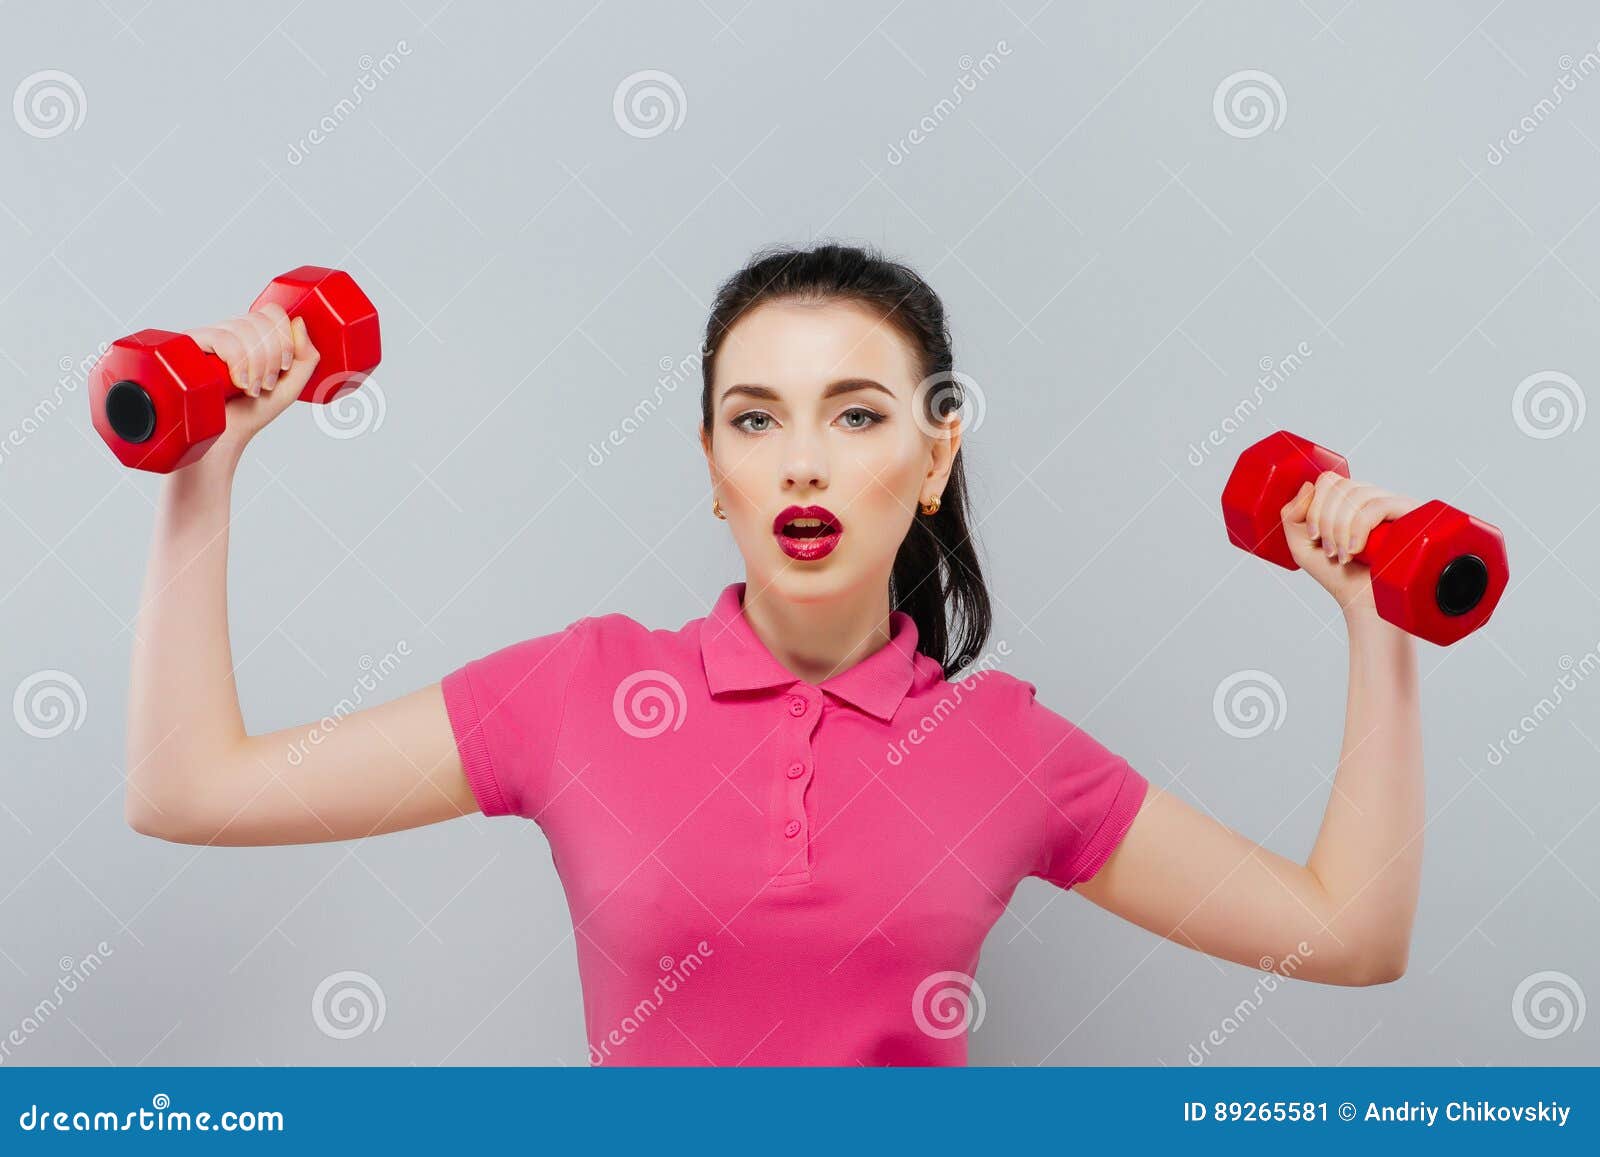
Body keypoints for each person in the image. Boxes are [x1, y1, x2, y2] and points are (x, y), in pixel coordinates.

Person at [124, 243, 1423, 1066]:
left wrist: (1382, 629)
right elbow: (191, 790)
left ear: (934, 458)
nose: (801, 460)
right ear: (712, 465)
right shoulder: (579, 692)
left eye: (856, 416)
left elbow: (1347, 933)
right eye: (755, 419)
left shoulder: (1006, 749)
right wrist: (203, 471)